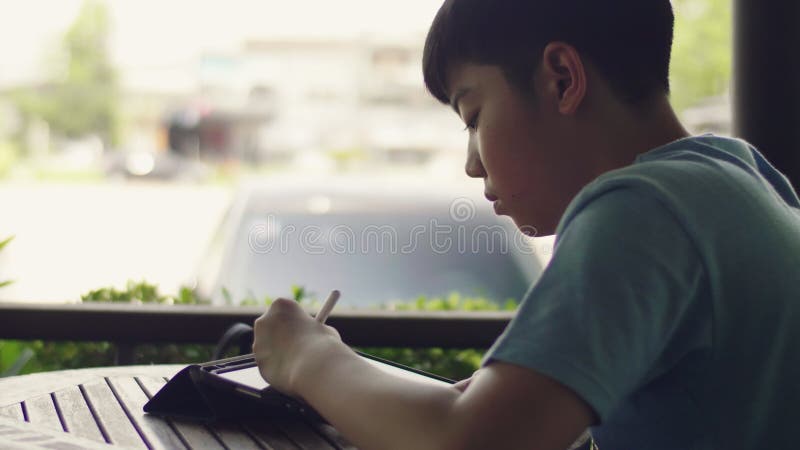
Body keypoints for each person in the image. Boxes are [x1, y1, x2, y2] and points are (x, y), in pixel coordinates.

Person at [253, 0, 800, 448]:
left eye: (474, 117)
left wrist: (309, 358)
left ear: (562, 79)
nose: (471, 163)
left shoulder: (642, 209)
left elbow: (472, 441)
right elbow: (505, 408)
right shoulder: (743, 179)